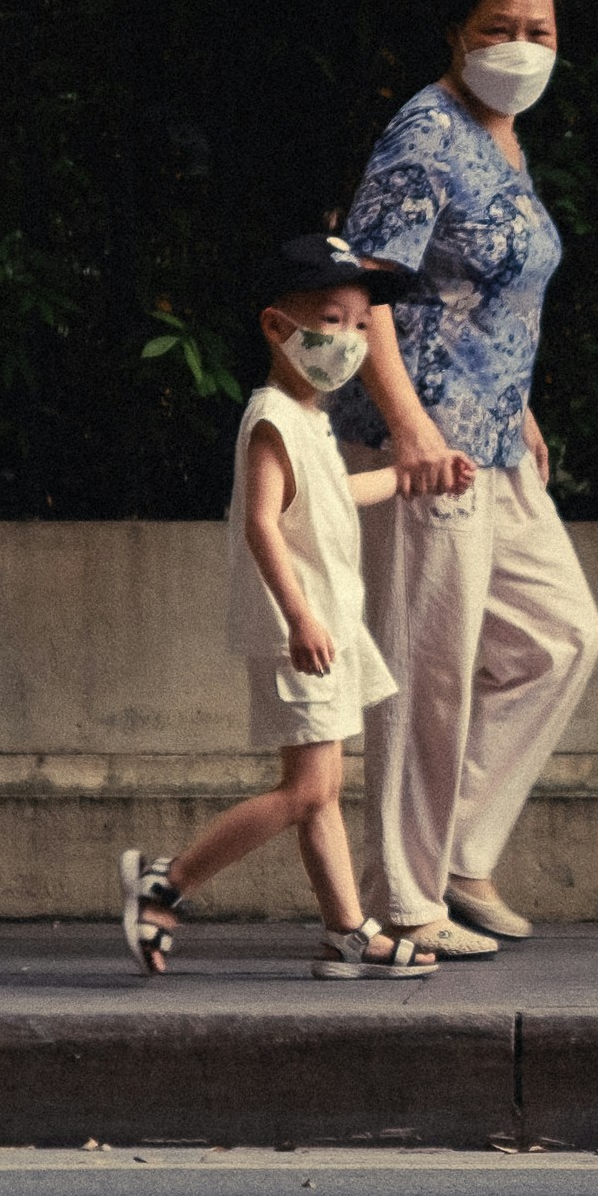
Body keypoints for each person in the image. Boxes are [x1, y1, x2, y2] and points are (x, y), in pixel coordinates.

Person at [334, 0, 598, 959]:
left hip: (496, 440)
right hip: (427, 446)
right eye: (500, 25)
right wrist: (408, 428)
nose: (521, 46)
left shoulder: (502, 139)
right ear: (456, 29)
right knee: (429, 670)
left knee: (560, 636)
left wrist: (520, 403)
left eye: (539, 30)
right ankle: (405, 904)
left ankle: (455, 851)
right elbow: (363, 293)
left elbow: (493, 296)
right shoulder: (423, 134)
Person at [123, 236, 469, 982]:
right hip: (302, 633)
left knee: (321, 792)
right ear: (277, 327)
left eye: (358, 325)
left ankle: (348, 931)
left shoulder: (309, 418)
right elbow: (260, 522)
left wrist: (417, 480)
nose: (347, 340)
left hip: (325, 629)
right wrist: (300, 617)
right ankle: (167, 881)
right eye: (329, 321)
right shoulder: (273, 417)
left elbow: (333, 496)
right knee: (309, 789)